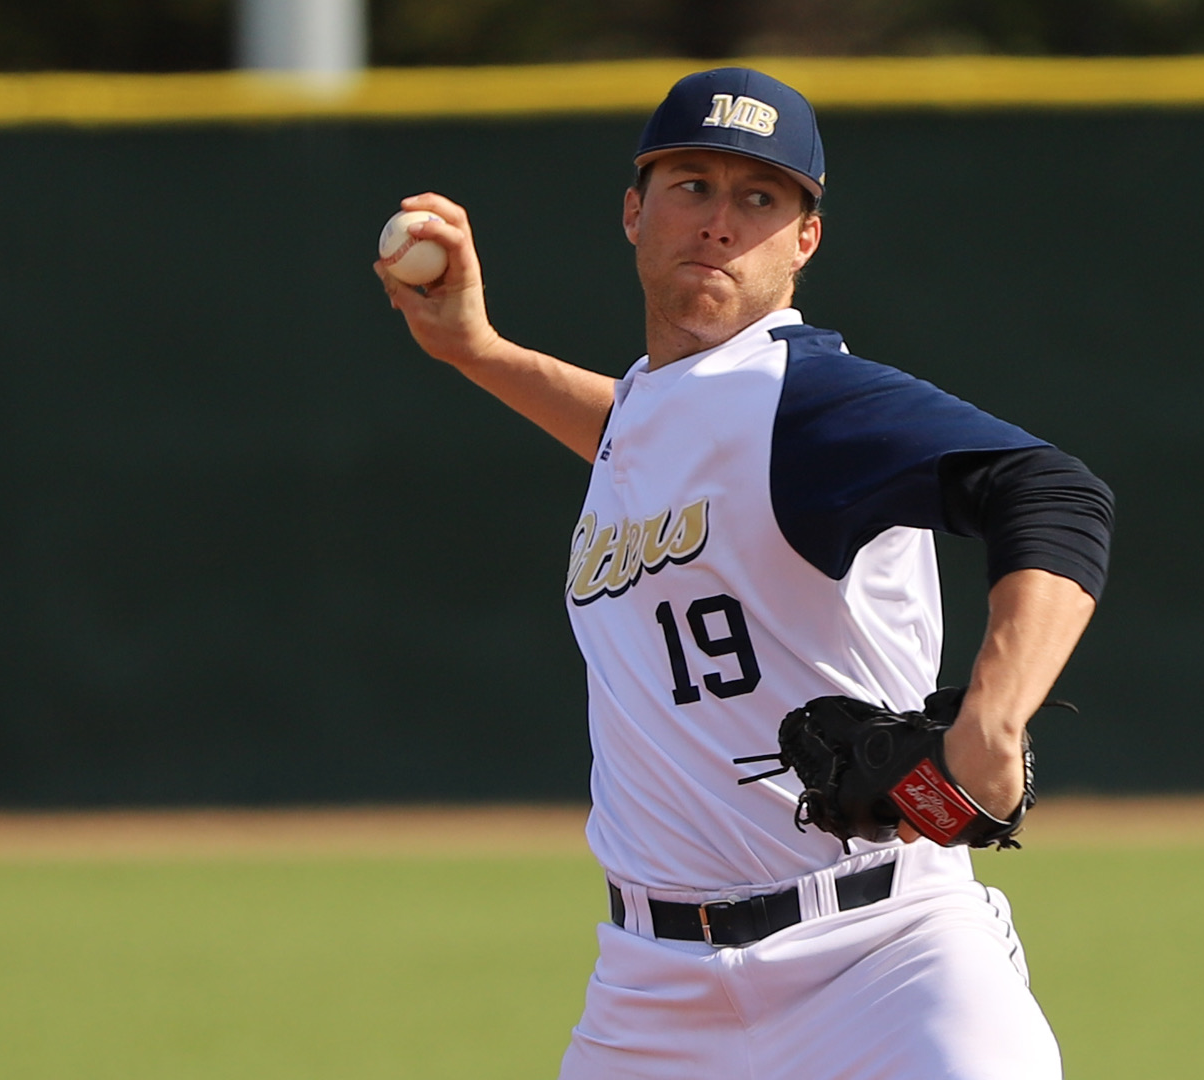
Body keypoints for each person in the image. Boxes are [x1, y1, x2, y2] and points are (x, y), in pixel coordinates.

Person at [377, 67, 1113, 1080]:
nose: (720, 221)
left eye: (759, 198)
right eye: (692, 186)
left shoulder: (805, 398)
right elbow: (641, 433)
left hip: (884, 964)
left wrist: (995, 713)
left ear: (804, 241)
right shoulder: (663, 415)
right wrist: (477, 351)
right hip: (650, 993)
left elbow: (1053, 491)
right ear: (634, 213)